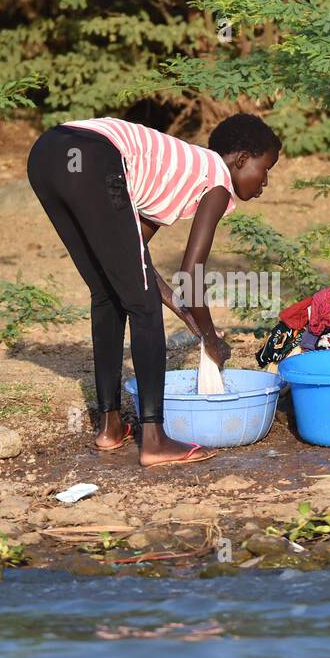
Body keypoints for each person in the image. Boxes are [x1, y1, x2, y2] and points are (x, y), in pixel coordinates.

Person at [26, 113, 282, 467]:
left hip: (48, 155)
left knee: (108, 291)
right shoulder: (218, 181)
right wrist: (210, 339)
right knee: (142, 305)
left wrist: (188, 318)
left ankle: (110, 427)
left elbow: (136, 261)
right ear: (240, 161)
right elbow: (191, 272)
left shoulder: (176, 174)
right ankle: (155, 439)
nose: (266, 182)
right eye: (266, 168)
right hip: (94, 154)